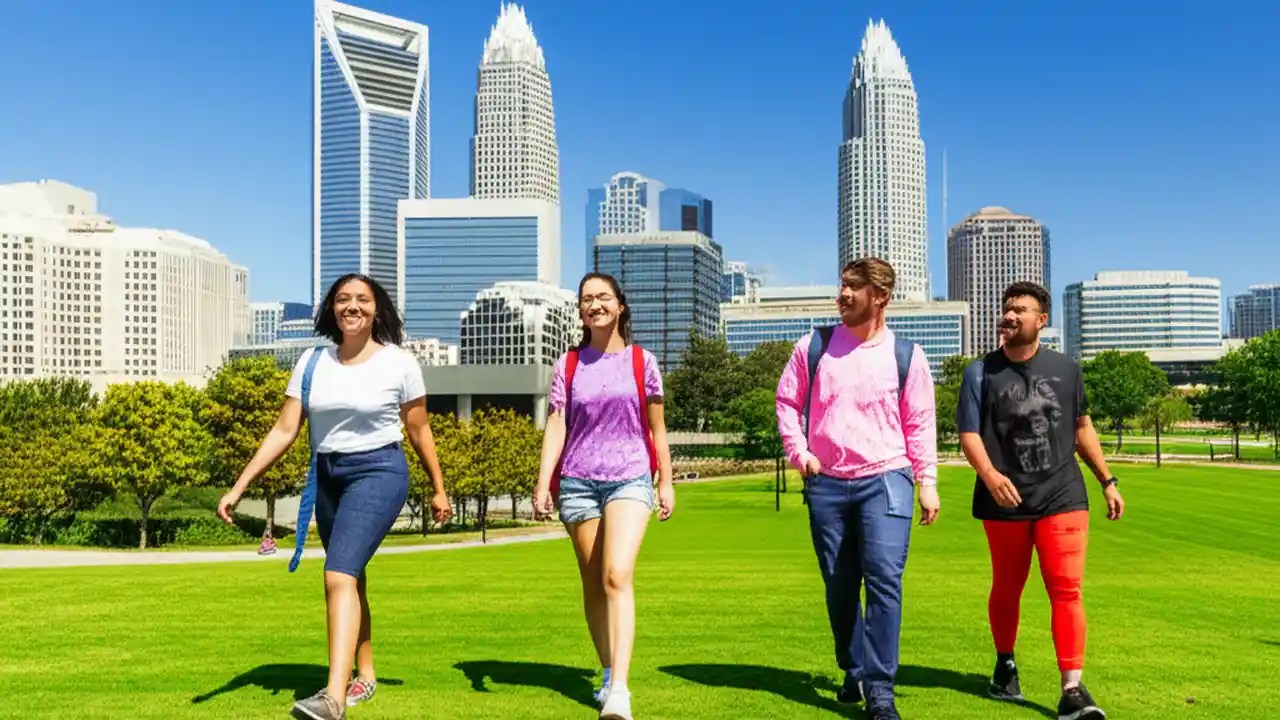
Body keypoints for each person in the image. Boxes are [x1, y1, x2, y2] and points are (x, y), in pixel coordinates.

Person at [217, 273, 452, 720]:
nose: (352, 306)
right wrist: (239, 485)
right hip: (326, 476)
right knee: (352, 574)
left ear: (376, 309)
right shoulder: (311, 362)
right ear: (331, 310)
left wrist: (438, 489)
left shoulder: (399, 363)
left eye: (362, 299)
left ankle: (333, 698)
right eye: (343, 299)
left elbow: (420, 430)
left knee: (337, 574)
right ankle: (365, 674)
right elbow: (286, 429)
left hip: (379, 470)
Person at [775, 258, 939, 720]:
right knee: (840, 585)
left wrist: (926, 483)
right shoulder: (815, 345)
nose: (842, 294)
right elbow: (787, 401)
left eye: (852, 287)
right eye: (841, 285)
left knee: (885, 581)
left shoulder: (907, 355)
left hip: (887, 479)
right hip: (826, 483)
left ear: (879, 297)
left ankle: (880, 690)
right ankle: (854, 666)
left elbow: (921, 423)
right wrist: (799, 451)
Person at [956, 281, 1124, 720]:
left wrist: (1107, 479)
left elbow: (1082, 428)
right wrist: (990, 476)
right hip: (1004, 498)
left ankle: (1072, 689)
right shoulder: (980, 372)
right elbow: (968, 434)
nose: (1009, 316)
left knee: (1066, 589)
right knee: (1008, 588)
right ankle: (1005, 663)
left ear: (1041, 320)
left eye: (1020, 310)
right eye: (1006, 308)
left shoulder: (1066, 370)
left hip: (1063, 493)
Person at [532, 272, 675, 720]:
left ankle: (620, 691)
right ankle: (609, 670)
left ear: (620, 306)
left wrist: (666, 480)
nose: (595, 304)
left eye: (603, 297)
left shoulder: (642, 362)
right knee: (594, 582)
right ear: (580, 310)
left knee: (617, 575)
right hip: (577, 480)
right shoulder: (569, 365)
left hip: (630, 477)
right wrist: (542, 482)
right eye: (587, 299)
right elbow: (556, 424)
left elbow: (657, 428)